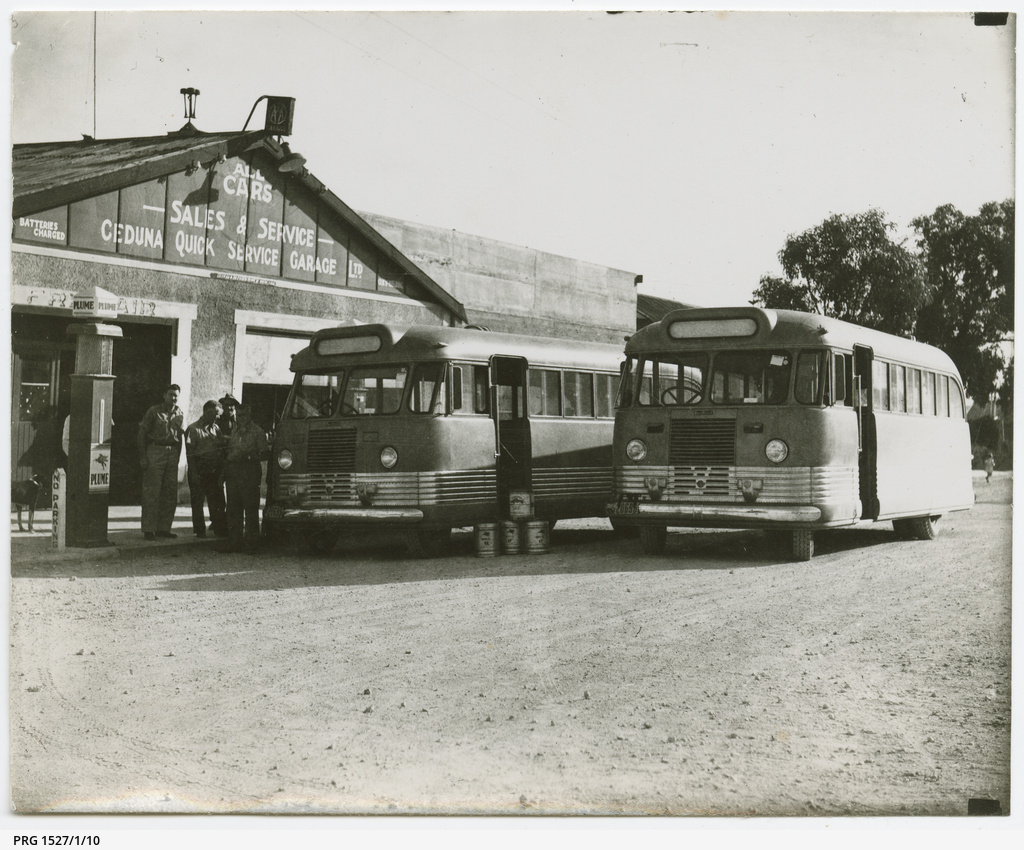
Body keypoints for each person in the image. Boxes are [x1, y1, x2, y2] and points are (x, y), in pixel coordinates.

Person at [219, 403, 269, 554]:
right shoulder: (235, 431)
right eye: (238, 415)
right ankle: (234, 543)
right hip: (234, 472)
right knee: (233, 509)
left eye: (244, 415)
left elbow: (264, 453)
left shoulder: (257, 432)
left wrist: (248, 456)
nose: (240, 418)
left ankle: (252, 544)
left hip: (249, 471)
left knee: (250, 509)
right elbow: (230, 452)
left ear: (250, 415)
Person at [138, 383, 184, 540]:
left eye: (176, 395)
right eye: (170, 394)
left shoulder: (179, 413)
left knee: (170, 492)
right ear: (164, 395)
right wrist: (143, 456)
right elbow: (142, 434)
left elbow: (179, 437)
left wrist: (177, 456)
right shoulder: (154, 411)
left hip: (172, 453)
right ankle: (149, 529)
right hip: (155, 451)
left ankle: (164, 528)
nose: (173, 398)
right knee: (152, 492)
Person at [185, 400, 227, 538]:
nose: (217, 417)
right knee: (197, 501)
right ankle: (200, 530)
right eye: (215, 414)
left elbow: (221, 449)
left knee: (217, 500)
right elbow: (190, 454)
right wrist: (194, 473)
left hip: (213, 469)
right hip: (199, 468)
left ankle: (219, 528)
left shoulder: (216, 429)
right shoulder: (193, 429)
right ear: (207, 412)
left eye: (218, 415)